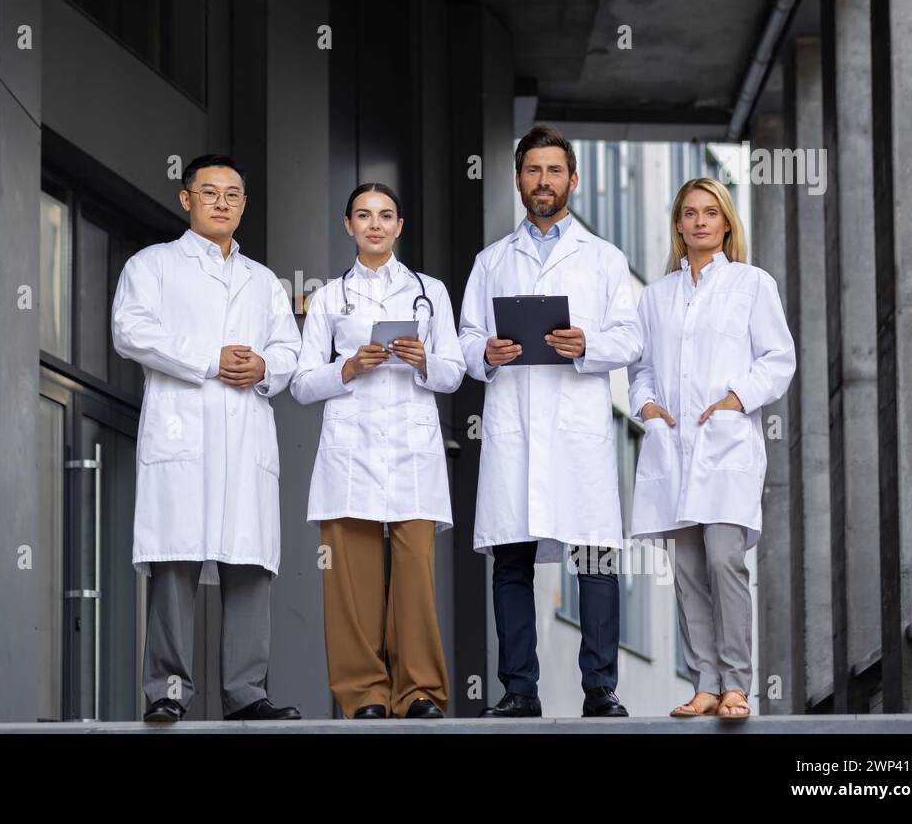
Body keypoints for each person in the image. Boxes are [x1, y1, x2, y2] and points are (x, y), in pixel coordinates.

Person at [111, 154, 303, 723]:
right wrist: (208, 360)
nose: (223, 202)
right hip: (183, 430)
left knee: (248, 565)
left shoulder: (263, 280)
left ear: (243, 204)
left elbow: (291, 351)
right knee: (175, 561)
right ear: (185, 198)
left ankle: (246, 695)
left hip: (245, 434)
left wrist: (263, 368)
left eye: (234, 194)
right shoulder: (153, 265)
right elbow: (131, 330)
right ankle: (167, 690)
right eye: (210, 192)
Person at [458, 124, 642, 718]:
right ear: (517, 180)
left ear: (573, 179)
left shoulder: (605, 259)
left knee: (594, 559)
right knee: (511, 561)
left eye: (554, 171)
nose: (544, 181)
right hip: (514, 423)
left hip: (576, 429)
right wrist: (484, 353)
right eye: (533, 171)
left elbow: (631, 338)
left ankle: (601, 690)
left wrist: (586, 344)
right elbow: (460, 339)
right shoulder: (490, 261)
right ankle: (519, 691)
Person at [291, 183, 465, 719]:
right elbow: (300, 383)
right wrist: (349, 367)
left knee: (414, 580)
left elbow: (455, 372)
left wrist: (420, 361)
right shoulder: (328, 297)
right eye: (363, 215)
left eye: (386, 215)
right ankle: (364, 695)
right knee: (350, 585)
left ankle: (419, 694)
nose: (375, 224)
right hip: (350, 452)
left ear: (399, 225)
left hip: (412, 453)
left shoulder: (429, 291)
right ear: (348, 225)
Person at [628, 177, 796, 720]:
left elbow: (778, 358)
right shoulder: (654, 297)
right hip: (672, 447)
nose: (700, 221)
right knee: (685, 568)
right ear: (678, 223)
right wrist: (647, 406)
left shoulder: (752, 284)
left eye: (711, 212)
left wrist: (734, 399)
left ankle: (736, 685)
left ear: (726, 223)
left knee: (724, 560)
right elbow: (641, 367)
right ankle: (705, 681)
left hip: (725, 447)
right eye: (690, 212)